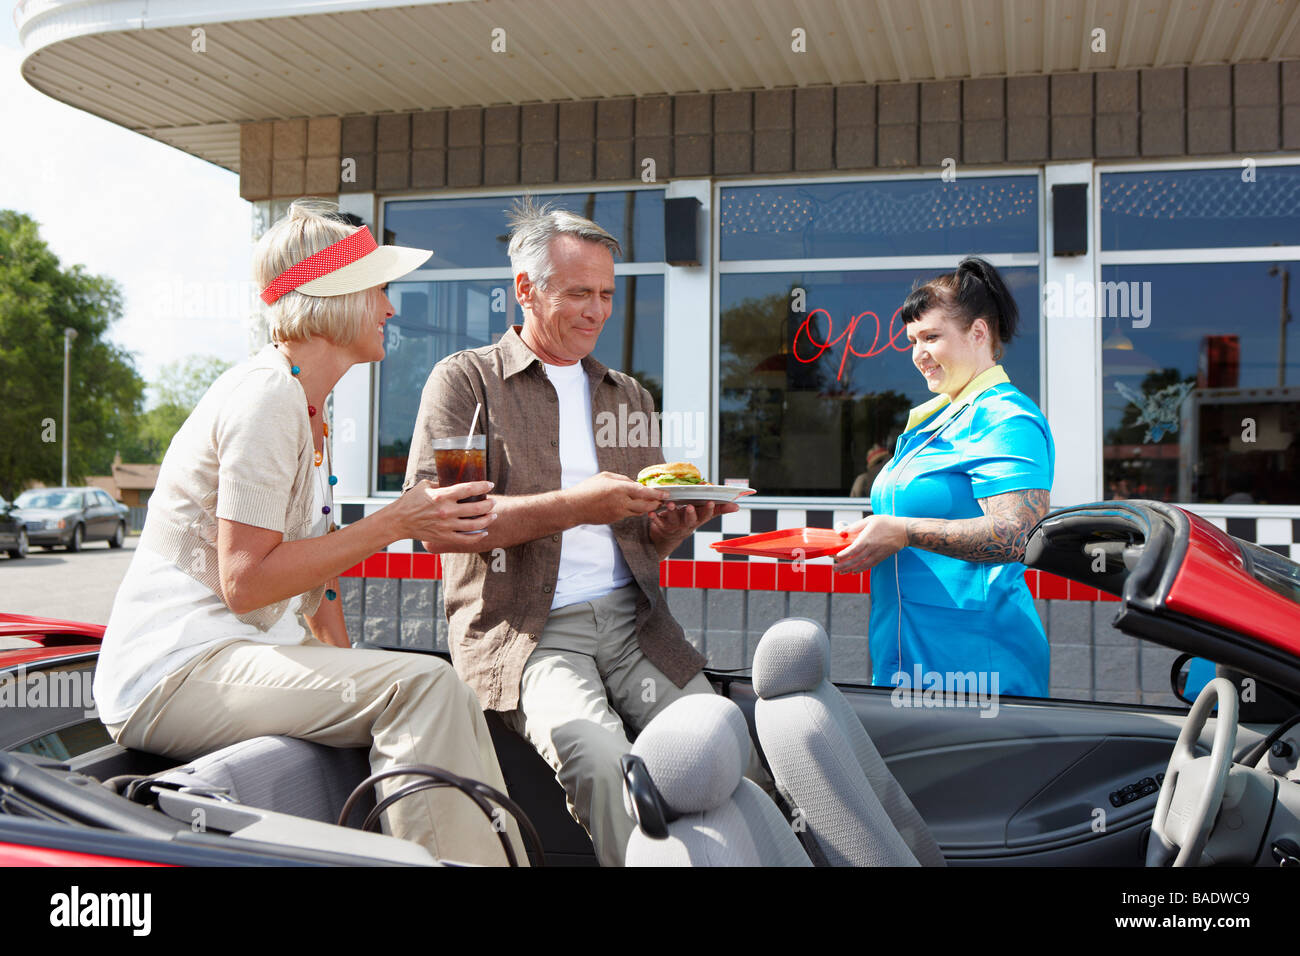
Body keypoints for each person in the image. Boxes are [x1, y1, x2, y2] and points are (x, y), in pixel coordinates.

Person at [92, 200, 525, 866]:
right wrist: (396, 522)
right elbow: (245, 583)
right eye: (378, 288)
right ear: (335, 296)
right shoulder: (265, 398)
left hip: (230, 655)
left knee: (445, 690)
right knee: (424, 686)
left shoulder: (305, 402)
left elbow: (315, 584)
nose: (389, 307)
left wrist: (350, 662)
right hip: (172, 672)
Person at [403, 198, 769, 866]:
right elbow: (443, 528)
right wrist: (575, 505)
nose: (597, 311)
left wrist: (672, 523)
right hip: (532, 635)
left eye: (605, 294)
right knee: (605, 764)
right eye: (578, 293)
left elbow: (638, 533)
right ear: (525, 290)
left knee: (732, 752)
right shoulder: (467, 383)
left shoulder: (627, 395)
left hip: (636, 626)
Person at [833, 257, 1054, 698]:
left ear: (978, 332)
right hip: (903, 655)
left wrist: (903, 531)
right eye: (913, 340)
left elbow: (1017, 535)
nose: (918, 354)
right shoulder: (935, 420)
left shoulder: (1006, 417)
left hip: (976, 666)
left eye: (931, 337)